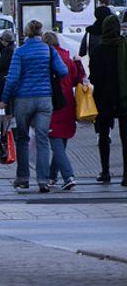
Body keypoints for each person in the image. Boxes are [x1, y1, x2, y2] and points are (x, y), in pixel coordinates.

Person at [0, 20, 68, 192]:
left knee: (22, 138)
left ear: (25, 32)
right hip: (45, 99)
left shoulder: (20, 52)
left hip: (24, 99)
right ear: (40, 32)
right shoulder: (49, 50)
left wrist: (4, 99)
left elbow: (13, 78)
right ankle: (43, 180)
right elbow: (63, 71)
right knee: (42, 139)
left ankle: (23, 177)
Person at [88, 14, 127, 186]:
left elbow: (94, 77)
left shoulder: (98, 50)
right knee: (125, 137)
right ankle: (126, 175)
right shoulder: (124, 47)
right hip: (124, 98)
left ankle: (105, 171)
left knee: (103, 135)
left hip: (103, 98)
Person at [44, 31, 83, 190]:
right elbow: (77, 80)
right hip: (68, 103)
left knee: (55, 142)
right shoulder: (67, 58)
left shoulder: (47, 59)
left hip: (54, 103)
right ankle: (52, 176)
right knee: (61, 139)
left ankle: (68, 176)